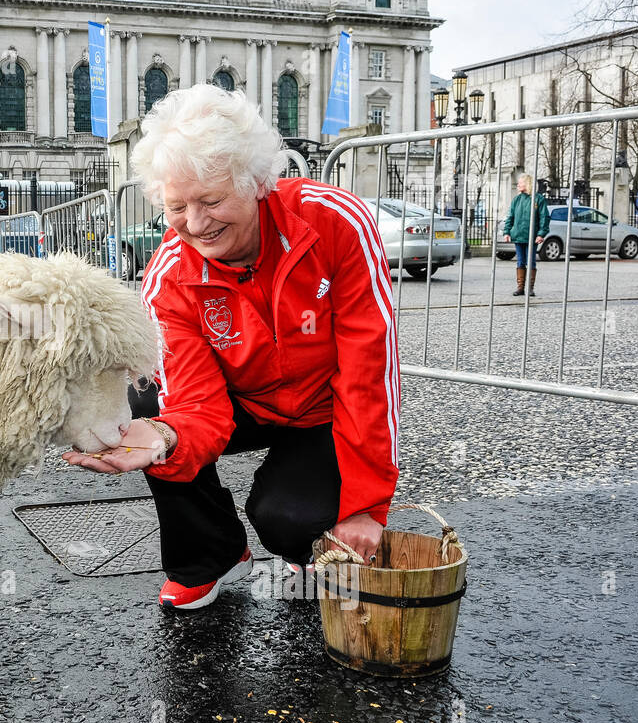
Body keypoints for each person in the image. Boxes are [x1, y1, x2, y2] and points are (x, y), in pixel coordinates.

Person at [63, 85, 400, 610]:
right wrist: (164, 441)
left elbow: (368, 373)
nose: (195, 225)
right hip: (240, 401)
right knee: (146, 408)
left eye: (212, 200)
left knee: (290, 521)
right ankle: (209, 553)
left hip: (324, 408)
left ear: (256, 182)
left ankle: (306, 534)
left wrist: (365, 507)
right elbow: (197, 404)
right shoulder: (168, 278)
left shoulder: (336, 223)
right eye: (177, 207)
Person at [500, 174, 549, 297]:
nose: (518, 185)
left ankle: (530, 288)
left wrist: (541, 233)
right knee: (520, 262)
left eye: (520, 183)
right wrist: (507, 232)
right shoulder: (516, 200)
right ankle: (520, 287)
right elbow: (510, 216)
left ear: (527, 184)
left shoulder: (538, 199)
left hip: (531, 236)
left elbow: (544, 217)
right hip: (518, 236)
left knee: (531, 261)